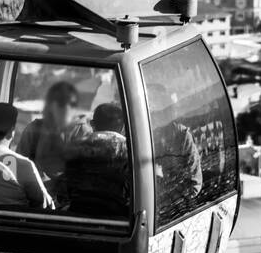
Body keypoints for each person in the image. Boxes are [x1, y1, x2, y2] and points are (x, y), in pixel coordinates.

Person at [60, 101, 132, 218]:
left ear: (92, 123)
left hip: (78, 211)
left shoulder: (76, 145)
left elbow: (67, 184)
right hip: (115, 214)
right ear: (123, 126)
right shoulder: (129, 149)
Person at [146, 83, 204, 217]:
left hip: (171, 213)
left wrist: (163, 187)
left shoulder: (181, 136)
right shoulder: (136, 133)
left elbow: (193, 184)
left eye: (155, 105)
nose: (151, 109)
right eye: (149, 105)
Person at [15, 81, 87, 182]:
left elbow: (86, 174)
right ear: (50, 105)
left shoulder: (83, 132)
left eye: (72, 104)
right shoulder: (34, 129)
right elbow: (19, 166)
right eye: (61, 103)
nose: (67, 108)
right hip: (36, 191)